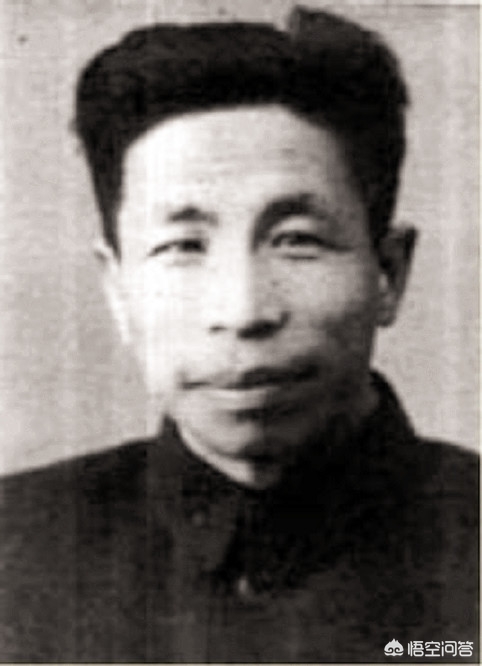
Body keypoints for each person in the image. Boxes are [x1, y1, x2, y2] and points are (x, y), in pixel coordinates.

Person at [0, 6, 478, 663]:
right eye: (182, 246)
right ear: (118, 289)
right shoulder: (16, 548)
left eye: (297, 240)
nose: (244, 309)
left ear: (389, 272)